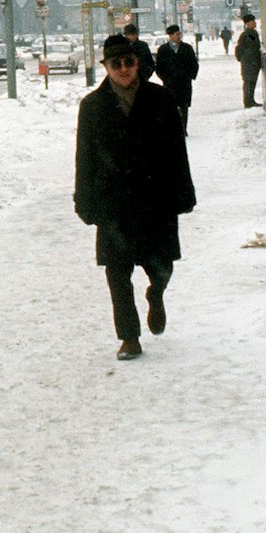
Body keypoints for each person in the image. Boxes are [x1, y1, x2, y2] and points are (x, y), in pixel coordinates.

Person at [75, 34, 196, 361]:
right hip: (113, 203)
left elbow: (177, 152)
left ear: (138, 64)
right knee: (117, 273)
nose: (124, 69)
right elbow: (84, 157)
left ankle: (155, 294)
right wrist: (83, 201)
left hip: (155, 199)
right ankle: (129, 337)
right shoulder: (91, 107)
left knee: (162, 266)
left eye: (129, 62)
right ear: (106, 67)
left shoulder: (161, 99)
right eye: (117, 64)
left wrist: (184, 193)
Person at [155, 24, 200, 132]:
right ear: (170, 35)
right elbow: (159, 67)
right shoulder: (163, 50)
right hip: (170, 83)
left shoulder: (187, 48)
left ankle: (183, 129)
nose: (179, 36)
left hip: (184, 83)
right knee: (171, 106)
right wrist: (165, 78)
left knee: (184, 106)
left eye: (180, 34)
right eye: (176, 34)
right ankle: (174, 129)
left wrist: (190, 76)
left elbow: (194, 64)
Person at [234, 16, 263, 108]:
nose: (255, 23)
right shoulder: (247, 34)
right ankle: (248, 102)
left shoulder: (252, 33)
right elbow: (239, 49)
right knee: (248, 82)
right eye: (253, 21)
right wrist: (244, 58)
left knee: (251, 82)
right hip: (249, 63)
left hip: (252, 62)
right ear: (247, 24)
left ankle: (250, 100)